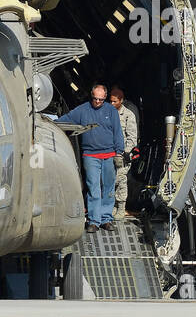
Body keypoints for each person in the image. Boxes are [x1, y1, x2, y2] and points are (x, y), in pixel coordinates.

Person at [58, 83, 124, 233]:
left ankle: (106, 219)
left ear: (105, 98)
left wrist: (119, 152)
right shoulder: (82, 110)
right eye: (95, 99)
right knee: (93, 188)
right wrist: (49, 123)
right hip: (91, 155)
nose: (97, 102)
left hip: (109, 155)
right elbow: (67, 119)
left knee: (108, 188)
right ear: (91, 96)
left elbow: (117, 132)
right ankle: (94, 221)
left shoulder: (111, 111)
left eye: (100, 100)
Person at [108, 85, 139, 221]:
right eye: (111, 101)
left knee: (120, 180)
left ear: (121, 101)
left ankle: (121, 207)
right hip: (109, 153)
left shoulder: (128, 115)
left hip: (123, 155)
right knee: (109, 180)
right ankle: (113, 206)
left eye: (114, 101)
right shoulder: (107, 113)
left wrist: (126, 152)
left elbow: (132, 136)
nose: (112, 103)